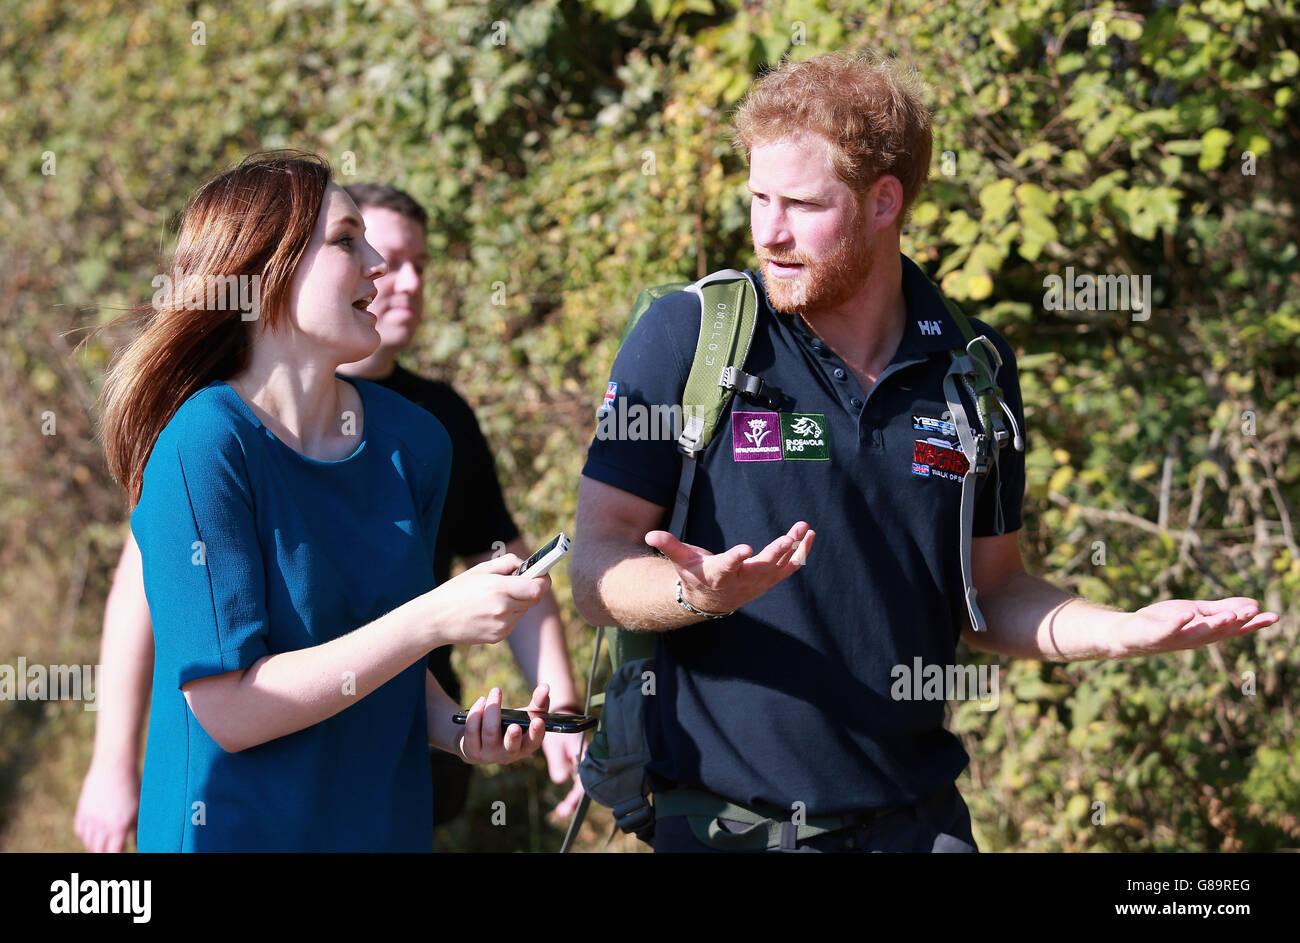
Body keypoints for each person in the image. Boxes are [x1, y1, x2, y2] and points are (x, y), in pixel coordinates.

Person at [569, 51, 1278, 853]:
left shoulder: (975, 368)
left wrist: (1118, 630)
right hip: (728, 824)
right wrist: (696, 592)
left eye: (801, 204)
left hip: (920, 824)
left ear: (884, 202)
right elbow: (595, 566)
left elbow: (994, 593)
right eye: (759, 197)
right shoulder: (691, 335)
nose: (769, 231)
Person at [75, 181, 582, 852]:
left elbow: (372, 658)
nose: (377, 264)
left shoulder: (419, 441)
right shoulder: (202, 443)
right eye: (348, 241)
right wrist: (432, 618)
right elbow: (227, 707)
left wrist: (459, 728)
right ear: (266, 272)